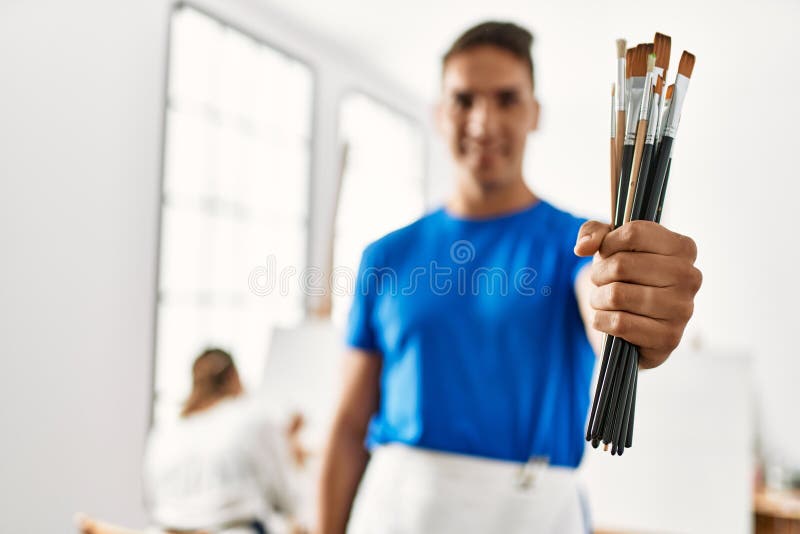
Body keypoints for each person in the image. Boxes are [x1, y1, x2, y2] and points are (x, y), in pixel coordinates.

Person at [317, 21, 702, 534]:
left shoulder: (580, 246)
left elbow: (600, 299)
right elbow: (348, 428)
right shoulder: (385, 256)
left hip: (530, 513)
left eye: (506, 99)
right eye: (463, 100)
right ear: (439, 113)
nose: (483, 121)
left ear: (534, 113)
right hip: (396, 511)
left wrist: (634, 309)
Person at [77, 348, 307, 534]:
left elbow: (151, 499)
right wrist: (295, 458)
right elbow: (290, 500)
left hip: (169, 526)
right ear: (234, 377)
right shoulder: (252, 416)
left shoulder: (166, 431)